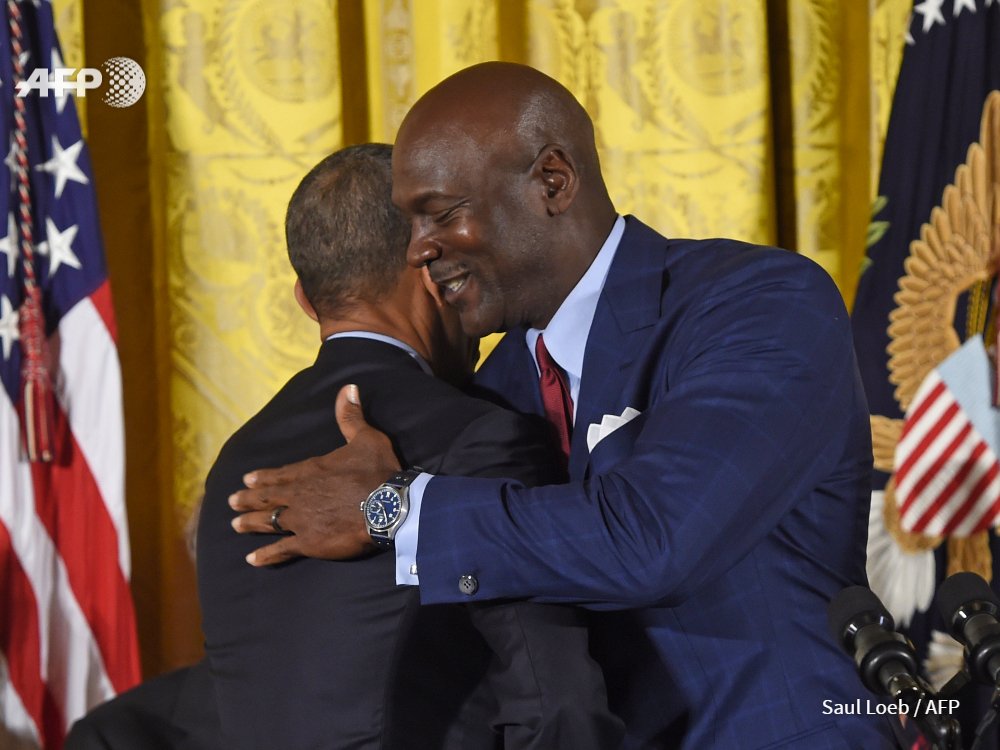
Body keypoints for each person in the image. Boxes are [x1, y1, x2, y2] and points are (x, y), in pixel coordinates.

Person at [230, 64, 899, 749]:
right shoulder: (494, 393)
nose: (418, 250)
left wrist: (392, 509)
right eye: (409, 224)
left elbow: (654, 539)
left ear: (552, 181)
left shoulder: (757, 305)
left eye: (441, 214)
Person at [196, 143, 621, 749]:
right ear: (430, 268)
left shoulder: (235, 463)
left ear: (306, 299)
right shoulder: (477, 435)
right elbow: (560, 706)